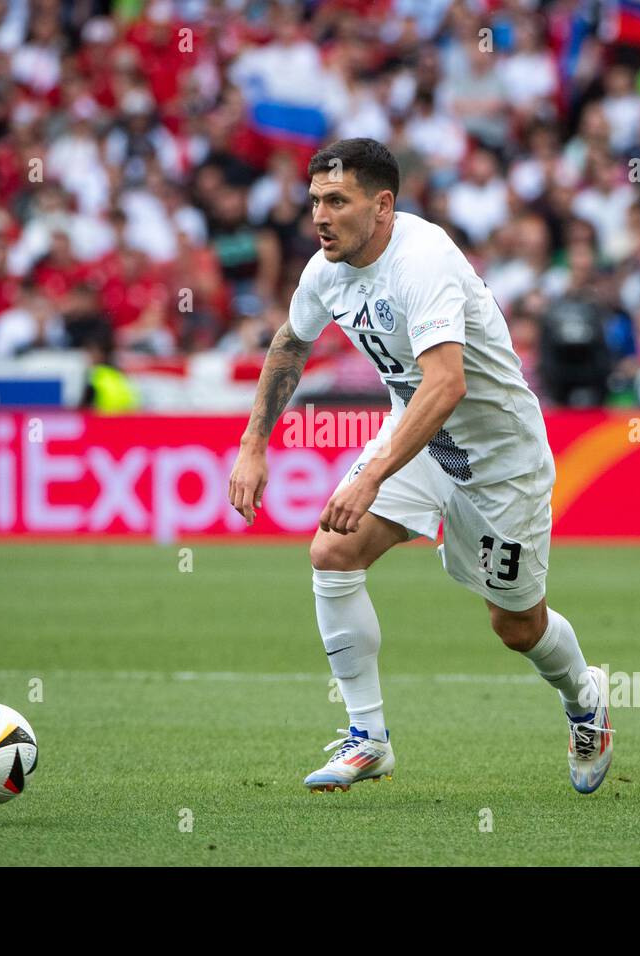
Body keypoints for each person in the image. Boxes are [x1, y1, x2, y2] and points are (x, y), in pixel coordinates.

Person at [227, 138, 613, 794]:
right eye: (315, 200)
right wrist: (252, 444)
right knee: (332, 551)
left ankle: (585, 699)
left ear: (382, 205)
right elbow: (291, 343)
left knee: (515, 625)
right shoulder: (326, 270)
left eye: (337, 201)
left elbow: (447, 384)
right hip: (419, 438)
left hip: (501, 460)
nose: (320, 216)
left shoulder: (422, 258)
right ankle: (367, 737)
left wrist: (372, 474)